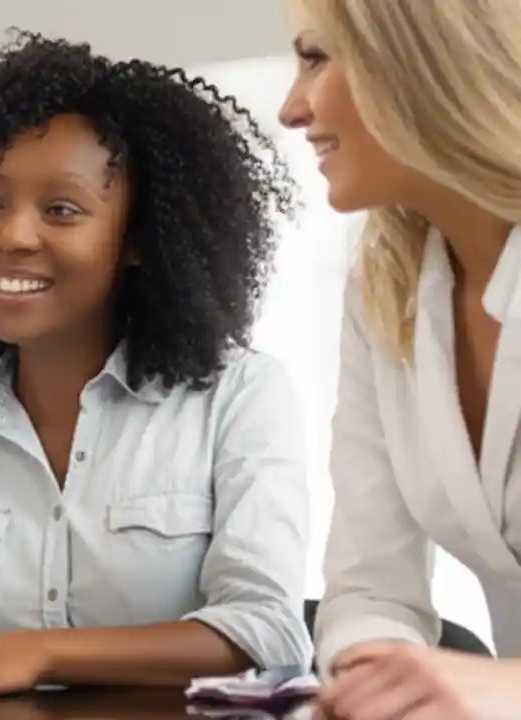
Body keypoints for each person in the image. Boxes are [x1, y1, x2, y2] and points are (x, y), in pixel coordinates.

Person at [0, 31, 312, 717]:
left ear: (136, 239)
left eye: (61, 209)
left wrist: (27, 654)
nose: (11, 236)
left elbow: (264, 627)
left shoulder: (240, 396)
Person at [277, 1, 521, 718]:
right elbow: (372, 587)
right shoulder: (385, 290)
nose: (291, 109)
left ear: (421, 57)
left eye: (316, 58)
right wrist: (374, 684)